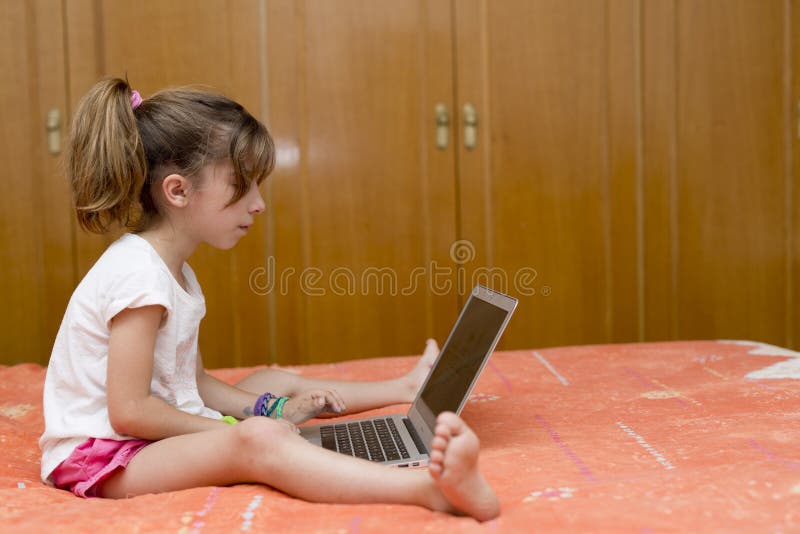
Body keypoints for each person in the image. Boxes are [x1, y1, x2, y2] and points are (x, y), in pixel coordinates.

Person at [38, 78, 500, 521]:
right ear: (178, 191)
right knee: (257, 442)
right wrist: (238, 429)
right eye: (243, 185)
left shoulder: (170, 270)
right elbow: (131, 411)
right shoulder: (138, 276)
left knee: (270, 382)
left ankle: (404, 389)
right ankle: (430, 491)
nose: (258, 204)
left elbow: (193, 384)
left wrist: (273, 409)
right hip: (105, 457)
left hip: (142, 436)